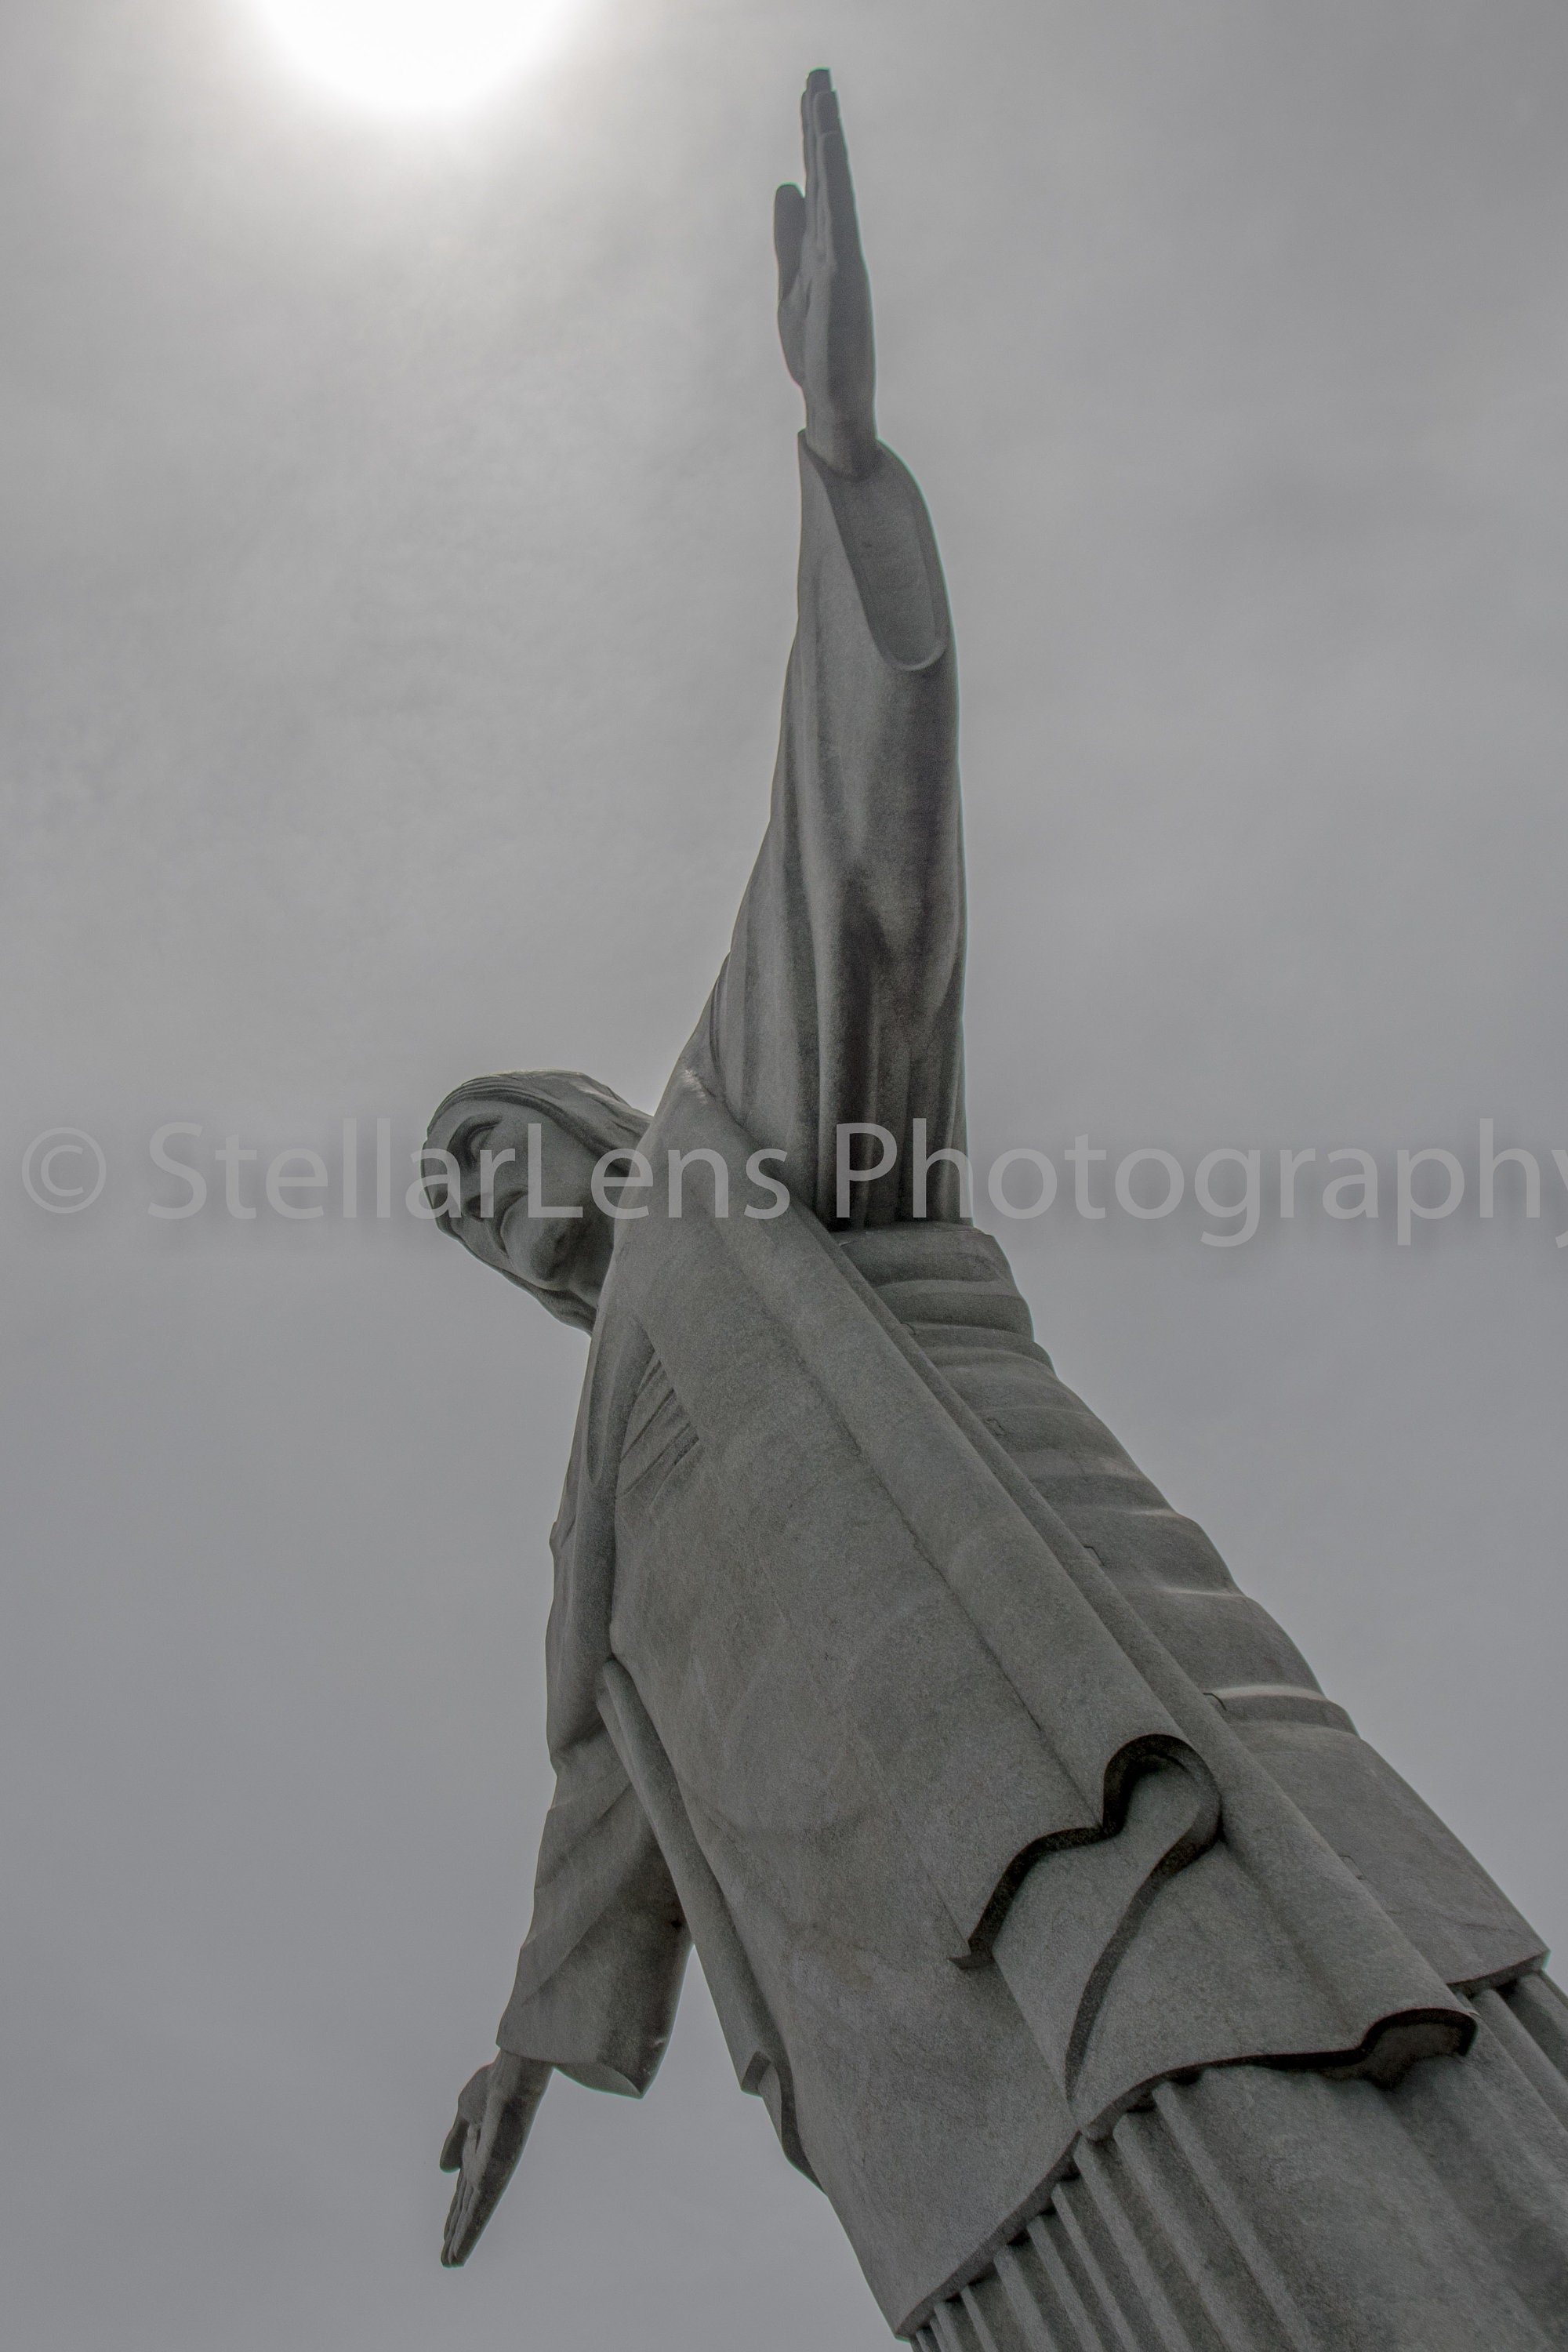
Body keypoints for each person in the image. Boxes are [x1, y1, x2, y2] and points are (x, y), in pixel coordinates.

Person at [423, 74, 1568, 2352]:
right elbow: (609, 1799)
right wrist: (533, 2042)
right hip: (896, 2034)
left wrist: (843, 472)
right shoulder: (595, 1526)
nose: (476, 1209)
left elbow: (848, 870)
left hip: (1106, 1812)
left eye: (485, 1153)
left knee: (1355, 2206)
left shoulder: (745, 1156)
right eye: (453, 1210)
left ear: (587, 1127)